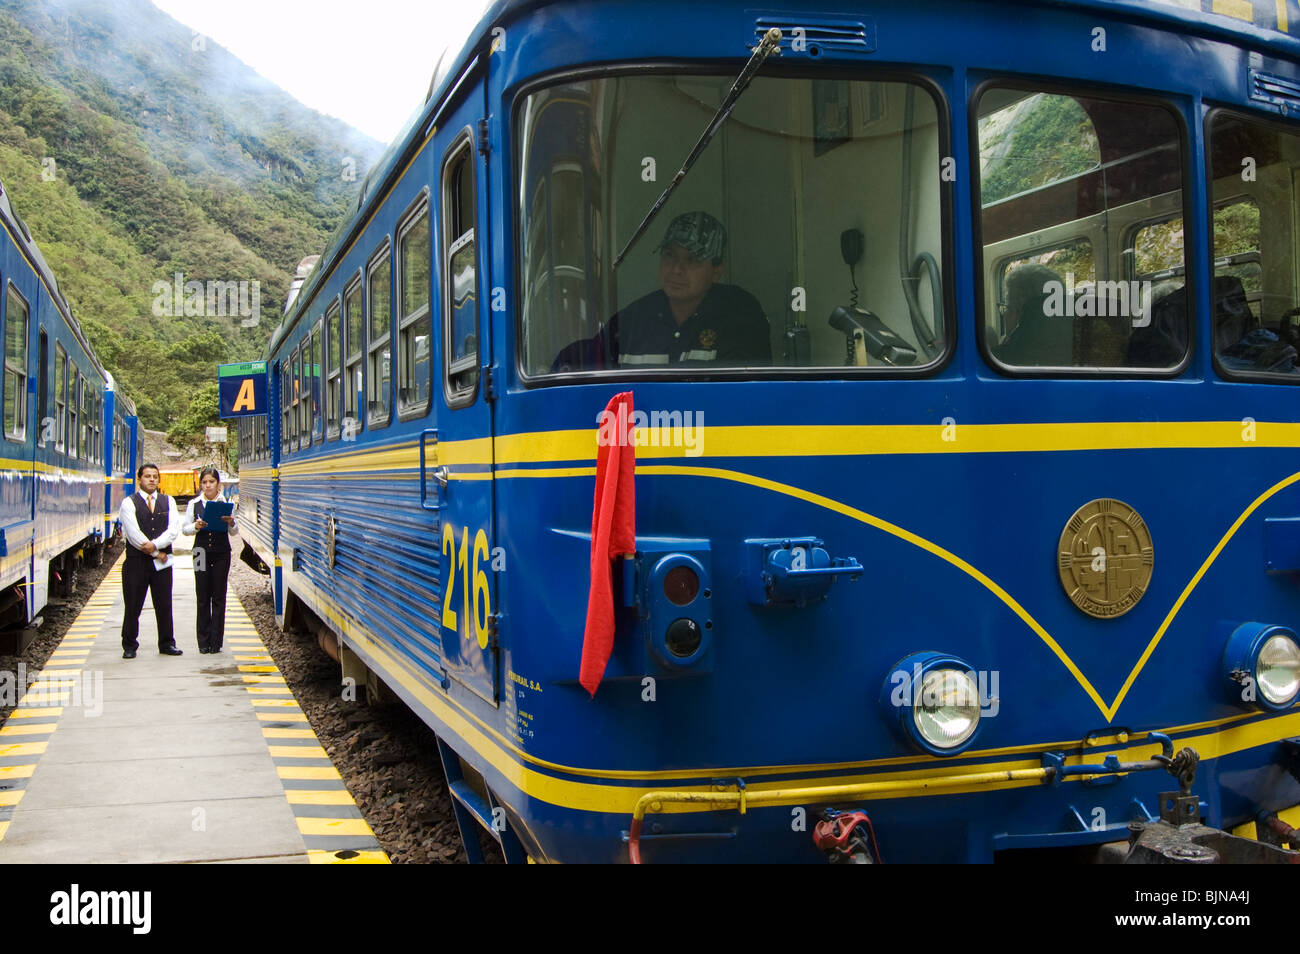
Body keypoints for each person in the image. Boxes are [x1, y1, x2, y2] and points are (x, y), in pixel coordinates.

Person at [552, 210, 771, 370]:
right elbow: (585, 363)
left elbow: (743, 401)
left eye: (692, 260)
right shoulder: (632, 321)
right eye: (669, 255)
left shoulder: (738, 316)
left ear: (716, 272)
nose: (676, 269)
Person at [119, 463, 182, 658]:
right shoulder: (128, 503)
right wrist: (156, 552)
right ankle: (129, 645)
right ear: (139, 479)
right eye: (147, 476)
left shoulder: (168, 501)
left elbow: (172, 530)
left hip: (162, 562)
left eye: (155, 476)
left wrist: (154, 546)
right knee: (133, 604)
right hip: (136, 562)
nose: (152, 479)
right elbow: (133, 534)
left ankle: (167, 643)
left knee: (164, 603)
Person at [181, 467, 236, 654]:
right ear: (201, 484)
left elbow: (235, 532)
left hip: (221, 552)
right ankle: (203, 641)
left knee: (219, 596)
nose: (208, 485)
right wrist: (196, 526)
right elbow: (185, 529)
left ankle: (216, 641)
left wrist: (231, 523)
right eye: (204, 482)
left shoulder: (226, 502)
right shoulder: (194, 504)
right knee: (202, 595)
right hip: (200, 551)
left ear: (217, 484)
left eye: (211, 482)